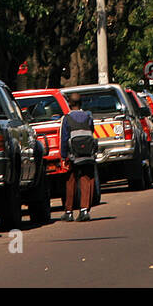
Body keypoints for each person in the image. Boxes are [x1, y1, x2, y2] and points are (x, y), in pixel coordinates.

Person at [60, 92, 97, 222]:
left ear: (70, 104)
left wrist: (64, 156)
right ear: (81, 103)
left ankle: (69, 212)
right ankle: (84, 210)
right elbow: (92, 132)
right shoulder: (88, 117)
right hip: (87, 153)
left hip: (72, 155)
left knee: (70, 181)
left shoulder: (66, 118)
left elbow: (64, 139)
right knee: (86, 179)